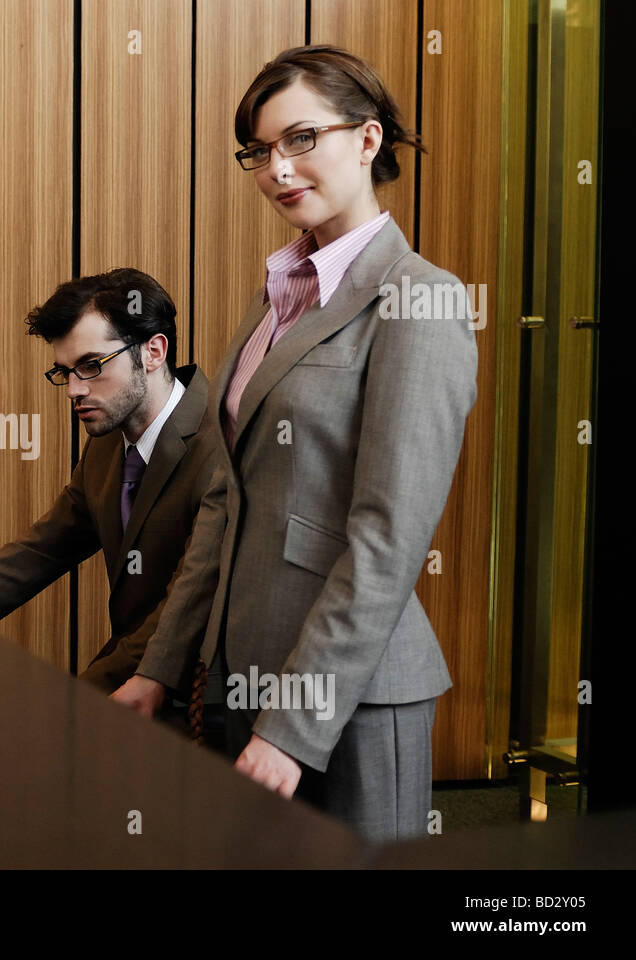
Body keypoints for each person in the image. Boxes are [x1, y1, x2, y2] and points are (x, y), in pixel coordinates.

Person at [111, 45, 478, 842]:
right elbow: (224, 505)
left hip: (346, 698)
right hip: (241, 681)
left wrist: (295, 723)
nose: (277, 168)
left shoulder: (420, 299)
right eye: (259, 151)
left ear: (369, 140)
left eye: (301, 138)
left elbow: (388, 537)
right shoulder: (274, 299)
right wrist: (159, 668)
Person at [0, 268, 224, 740]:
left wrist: (75, 702)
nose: (74, 389)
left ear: (153, 352)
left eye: (92, 366)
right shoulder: (107, 442)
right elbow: (38, 552)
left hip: (195, 700)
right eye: (64, 372)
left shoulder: (221, 444)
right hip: (130, 676)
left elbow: (186, 600)